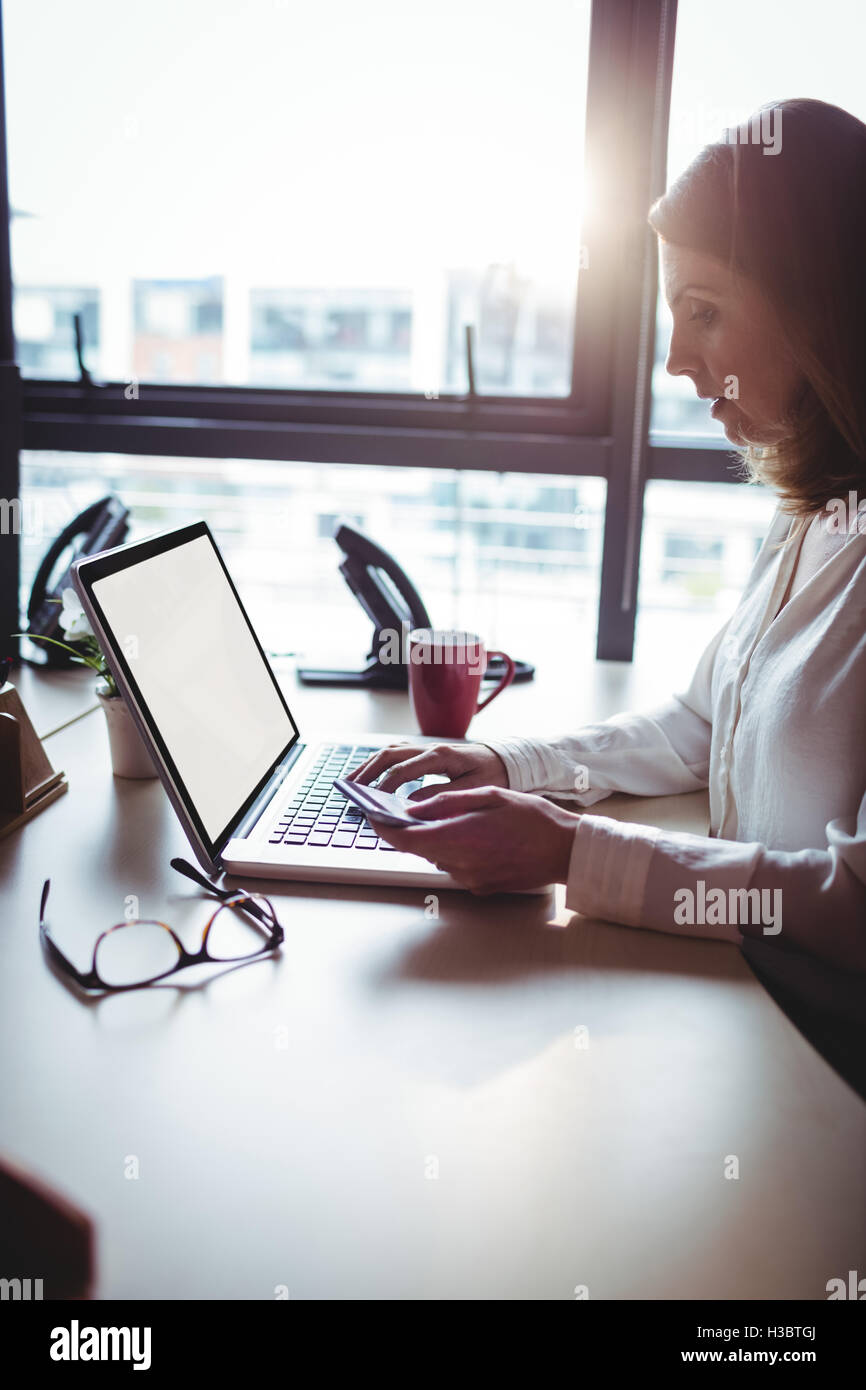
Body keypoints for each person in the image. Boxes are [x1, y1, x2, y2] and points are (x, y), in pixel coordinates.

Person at [347, 99, 866, 973]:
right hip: (746, 993)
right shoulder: (813, 510)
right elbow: (703, 723)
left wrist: (572, 855)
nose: (677, 359)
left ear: (822, 310)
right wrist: (509, 765)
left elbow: (855, 908)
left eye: (704, 312)